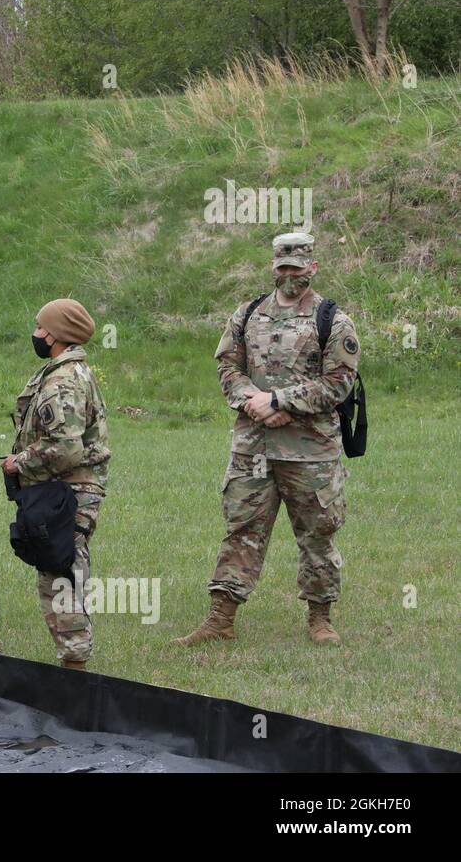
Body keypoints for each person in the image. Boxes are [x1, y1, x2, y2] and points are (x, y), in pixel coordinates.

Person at [175, 232, 359, 647]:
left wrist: (280, 401)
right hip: (252, 448)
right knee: (241, 529)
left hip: (310, 451)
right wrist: (252, 401)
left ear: (312, 267)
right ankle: (221, 619)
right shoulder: (247, 313)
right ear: (273, 267)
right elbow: (227, 365)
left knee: (317, 533)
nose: (289, 275)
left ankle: (320, 618)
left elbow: (339, 382)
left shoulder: (333, 319)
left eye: (298, 267)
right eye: (283, 267)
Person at [2, 299, 110, 671]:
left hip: (68, 491)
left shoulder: (63, 382)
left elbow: (65, 447)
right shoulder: (65, 372)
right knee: (61, 569)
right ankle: (73, 658)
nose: (35, 334)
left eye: (39, 327)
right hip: (63, 489)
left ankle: (75, 666)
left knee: (60, 573)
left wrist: (20, 461)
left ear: (56, 335)